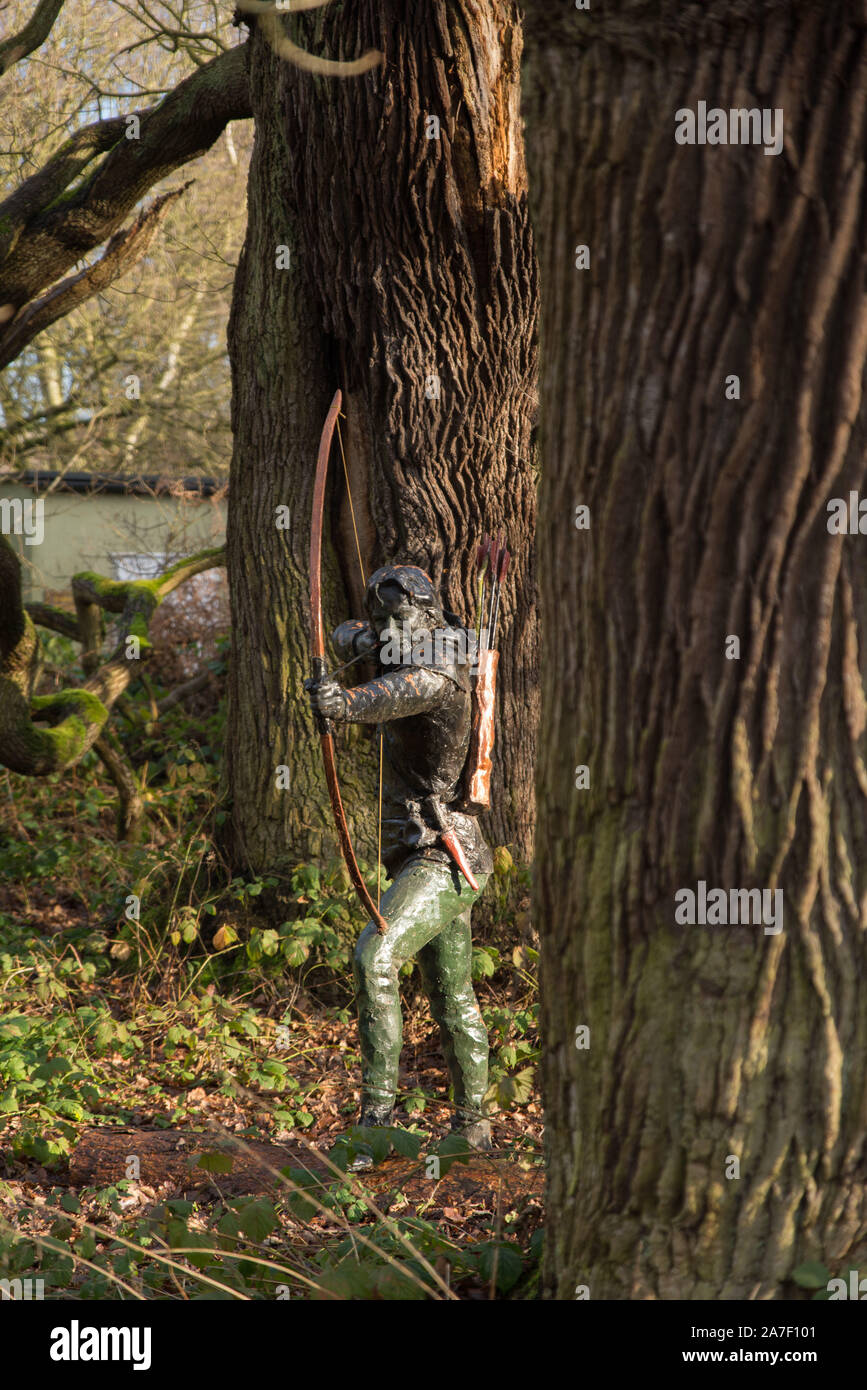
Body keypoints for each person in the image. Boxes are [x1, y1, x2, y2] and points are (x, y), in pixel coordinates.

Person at [305, 564, 493, 1152]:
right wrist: (365, 636)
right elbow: (342, 634)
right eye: (382, 617)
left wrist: (344, 702)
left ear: (429, 613)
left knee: (374, 958)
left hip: (445, 854)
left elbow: (396, 693)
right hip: (432, 853)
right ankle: (474, 1128)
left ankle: (376, 1127)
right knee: (451, 992)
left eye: (399, 616)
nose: (389, 628)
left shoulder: (440, 668)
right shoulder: (408, 640)